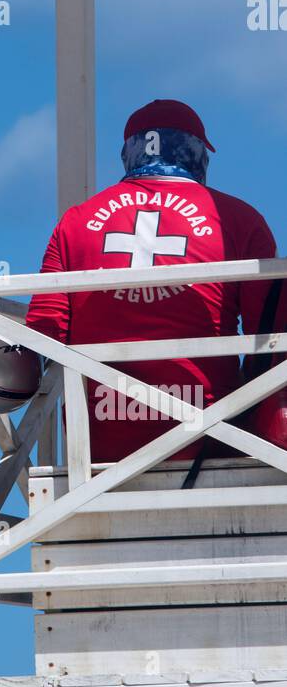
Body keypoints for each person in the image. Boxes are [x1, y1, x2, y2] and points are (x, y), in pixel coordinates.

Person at [26, 99, 280, 462]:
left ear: (129, 153)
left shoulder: (75, 222)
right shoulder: (239, 220)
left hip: (100, 447)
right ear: (196, 154)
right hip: (211, 440)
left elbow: (43, 332)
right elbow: (272, 340)